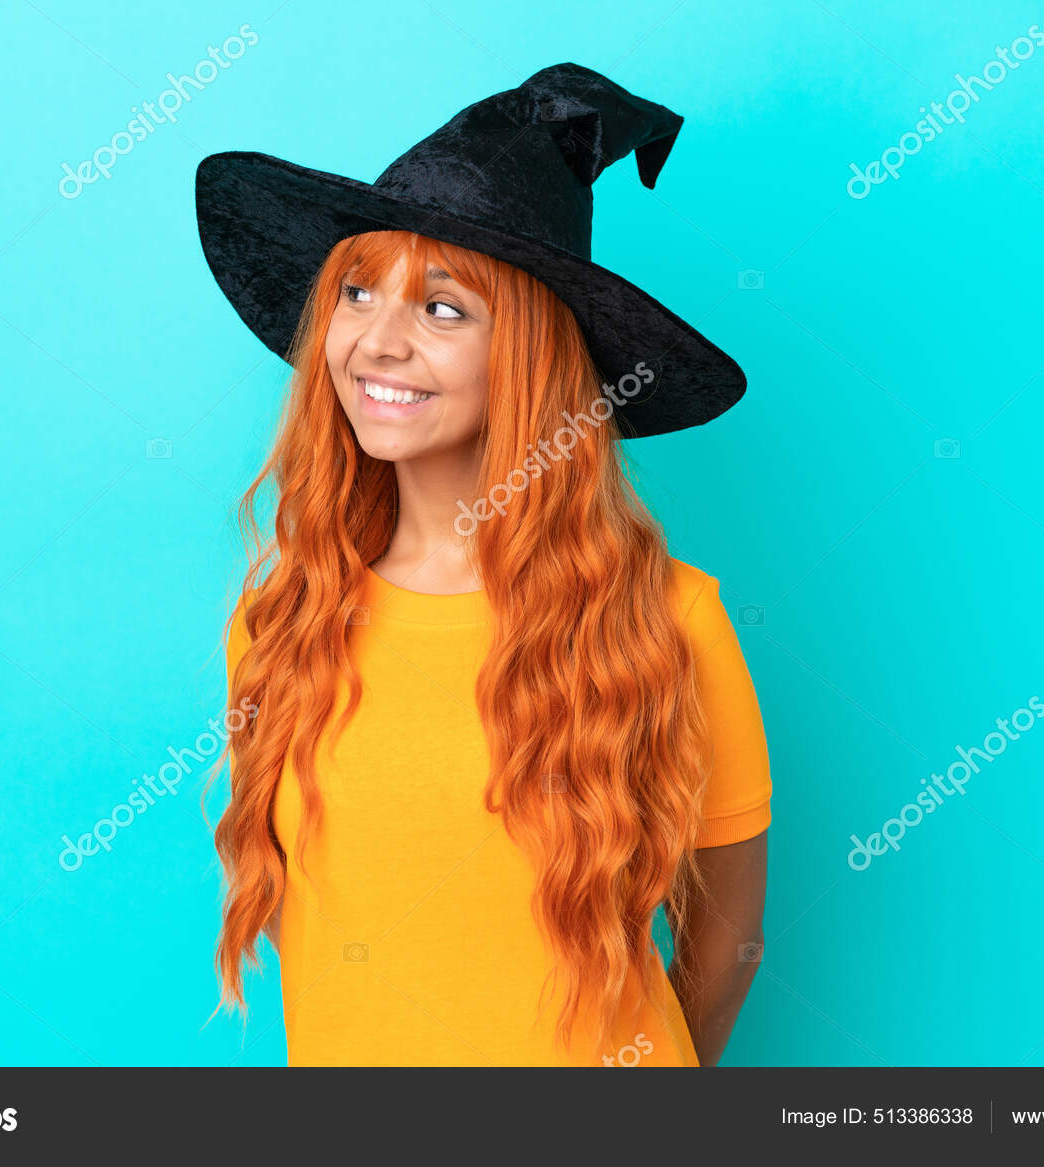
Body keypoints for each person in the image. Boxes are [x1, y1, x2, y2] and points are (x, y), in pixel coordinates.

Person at [194, 63, 771, 1067]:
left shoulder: (668, 619)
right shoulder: (282, 621)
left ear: (531, 356)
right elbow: (325, 932)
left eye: (443, 310)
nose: (378, 343)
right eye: (358, 293)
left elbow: (726, 949)